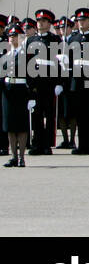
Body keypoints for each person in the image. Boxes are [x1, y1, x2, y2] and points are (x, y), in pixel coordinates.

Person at [66, 7, 89, 155]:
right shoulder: (73, 39)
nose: (81, 23)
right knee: (80, 114)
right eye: (79, 21)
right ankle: (82, 145)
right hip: (77, 78)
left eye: (84, 20)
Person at [26, 8, 59, 156]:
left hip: (49, 81)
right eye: (38, 21)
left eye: (43, 21)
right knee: (37, 114)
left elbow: (60, 63)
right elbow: (26, 62)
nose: (40, 24)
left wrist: (60, 82)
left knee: (49, 114)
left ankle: (48, 144)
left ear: (49, 23)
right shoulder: (30, 40)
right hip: (35, 82)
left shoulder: (55, 39)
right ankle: (37, 143)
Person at [2, 24, 31, 167]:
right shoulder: (5, 55)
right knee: (10, 126)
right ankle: (13, 156)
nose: (12, 38)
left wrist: (32, 97)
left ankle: (21, 157)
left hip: (21, 91)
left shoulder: (27, 55)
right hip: (8, 92)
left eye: (15, 36)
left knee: (21, 125)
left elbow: (32, 78)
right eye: (10, 36)